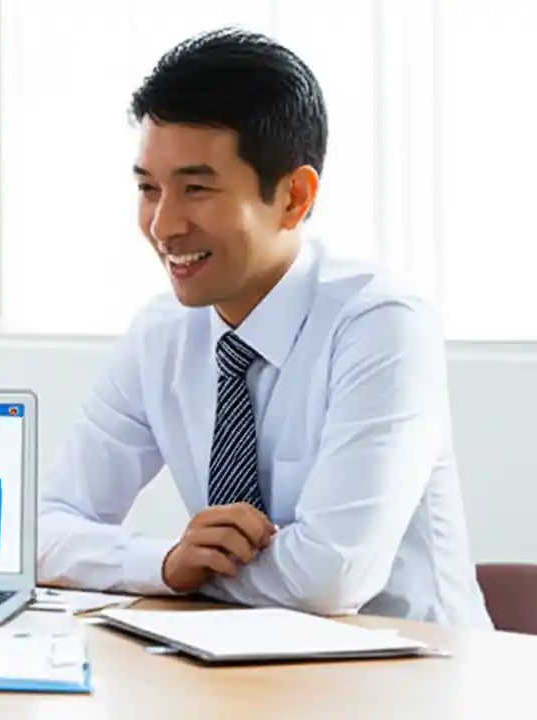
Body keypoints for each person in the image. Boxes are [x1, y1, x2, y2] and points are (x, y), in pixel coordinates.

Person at [37, 28, 490, 628]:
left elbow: (330, 579)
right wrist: (166, 562)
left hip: (410, 675)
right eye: (149, 189)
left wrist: (181, 574)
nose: (163, 225)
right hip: (231, 673)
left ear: (295, 198)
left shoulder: (382, 326)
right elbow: (43, 530)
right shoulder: (161, 334)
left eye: (196, 189)